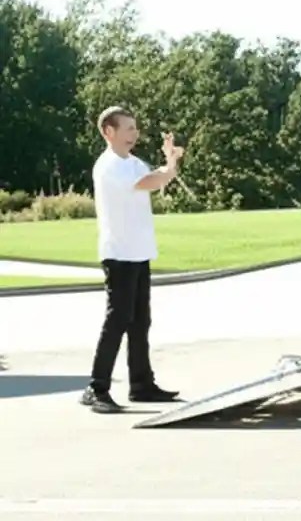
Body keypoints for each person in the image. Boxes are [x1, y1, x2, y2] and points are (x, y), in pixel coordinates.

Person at [80, 105, 184, 413]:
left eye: (135, 128)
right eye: (127, 128)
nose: (133, 134)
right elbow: (151, 182)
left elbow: (158, 178)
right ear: (108, 132)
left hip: (139, 252)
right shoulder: (109, 165)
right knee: (118, 320)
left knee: (140, 321)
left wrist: (170, 162)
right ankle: (96, 388)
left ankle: (141, 385)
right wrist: (168, 165)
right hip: (119, 254)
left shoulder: (133, 162)